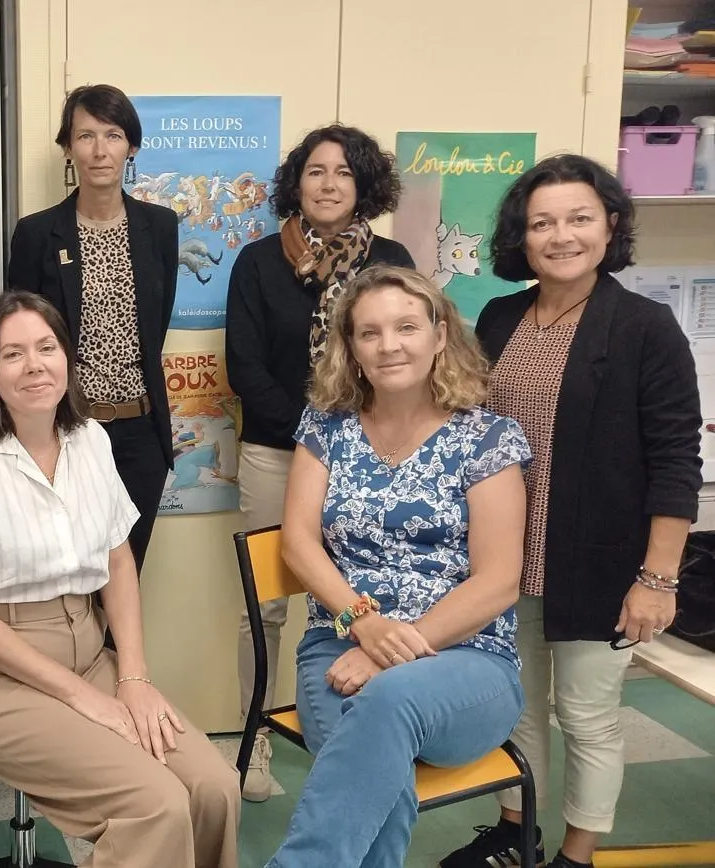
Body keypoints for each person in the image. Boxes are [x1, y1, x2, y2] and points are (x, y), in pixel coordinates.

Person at [0, 291, 241, 868]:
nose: (34, 364)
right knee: (155, 805)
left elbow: (117, 562)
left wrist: (132, 678)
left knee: (215, 788)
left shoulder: (91, 441)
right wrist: (85, 699)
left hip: (90, 654)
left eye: (46, 347)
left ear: (68, 358)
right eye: (12, 354)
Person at [441, 155, 702, 868]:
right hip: (502, 557)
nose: (561, 236)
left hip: (600, 562)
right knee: (516, 705)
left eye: (579, 218)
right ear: (521, 238)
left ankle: (577, 854)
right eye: (542, 222)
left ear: (610, 225)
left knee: (586, 715)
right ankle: (516, 834)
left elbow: (678, 461)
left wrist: (658, 579)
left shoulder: (645, 327)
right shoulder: (499, 317)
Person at [268, 265, 531, 868]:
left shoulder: (489, 439)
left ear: (440, 336)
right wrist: (364, 624)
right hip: (339, 647)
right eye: (370, 333)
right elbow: (299, 544)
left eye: (407, 327)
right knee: (375, 772)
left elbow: (498, 582)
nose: (390, 345)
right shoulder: (326, 428)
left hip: (468, 662)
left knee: (384, 705)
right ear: (351, 349)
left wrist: (394, 647)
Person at [225, 123, 416, 802]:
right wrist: (315, 437)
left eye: (343, 172)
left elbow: (404, 362)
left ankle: (363, 737)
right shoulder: (256, 261)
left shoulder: (391, 258)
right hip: (278, 454)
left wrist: (351, 444)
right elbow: (245, 367)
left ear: (363, 183)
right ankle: (254, 749)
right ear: (295, 183)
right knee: (267, 610)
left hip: (376, 459)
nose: (329, 183)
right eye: (315, 171)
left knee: (364, 598)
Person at [7, 83, 178, 574]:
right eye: (86, 136)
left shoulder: (160, 227)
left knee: (127, 571)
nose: (100, 150)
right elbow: (21, 338)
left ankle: (117, 656)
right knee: (69, 573)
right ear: (68, 147)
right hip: (68, 429)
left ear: (132, 147)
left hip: (141, 431)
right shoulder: (38, 233)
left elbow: (155, 322)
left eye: (113, 134)